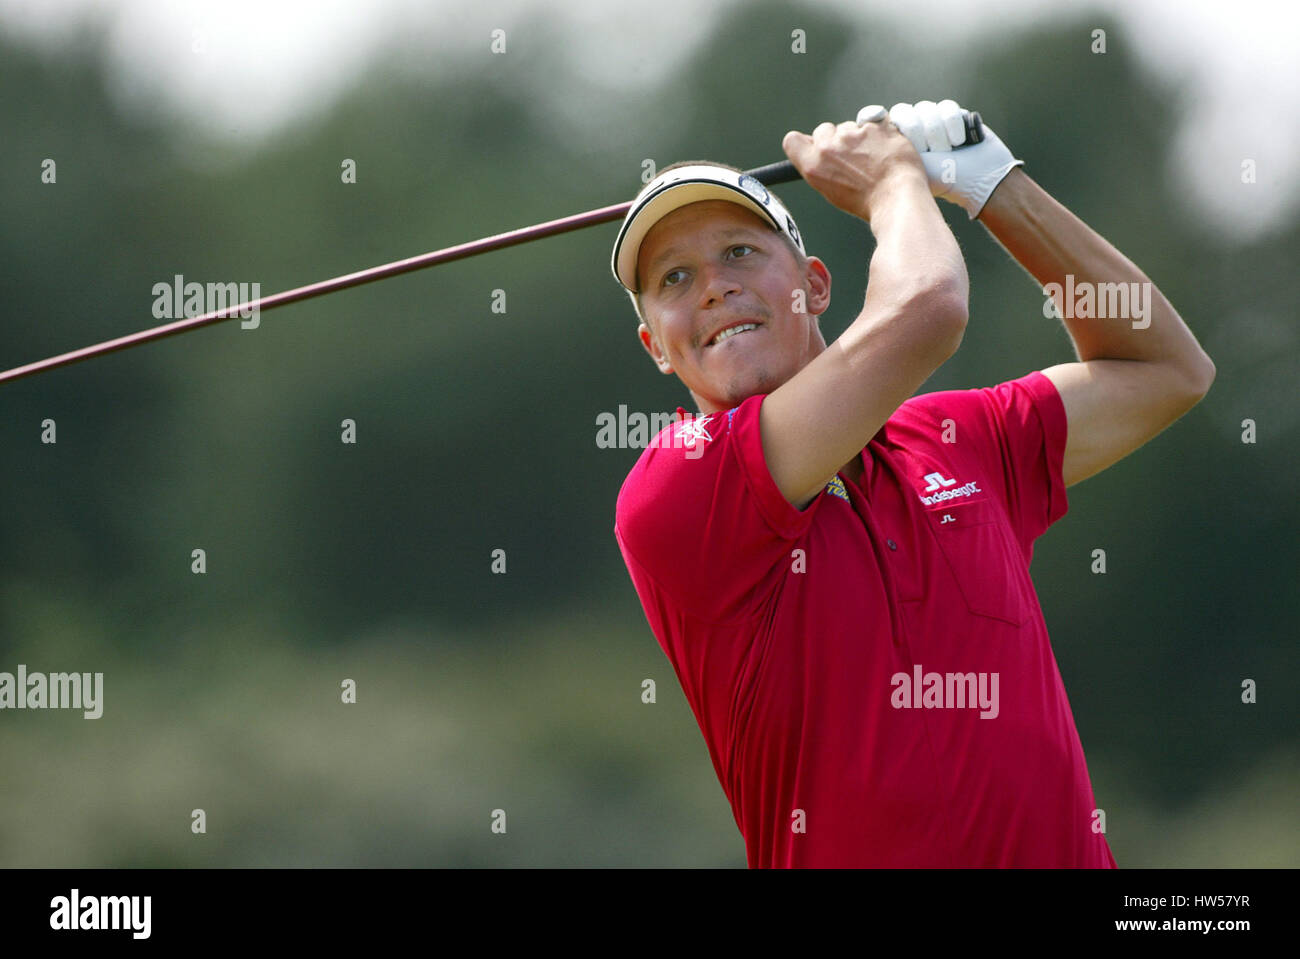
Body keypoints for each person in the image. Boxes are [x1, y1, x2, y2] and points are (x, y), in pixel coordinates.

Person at [609, 100, 1215, 868]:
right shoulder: (679, 488)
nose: (712, 288)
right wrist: (896, 181)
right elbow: (929, 307)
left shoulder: (960, 441)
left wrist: (997, 185)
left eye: (737, 251)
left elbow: (1165, 369)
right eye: (674, 277)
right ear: (655, 346)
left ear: (817, 285)